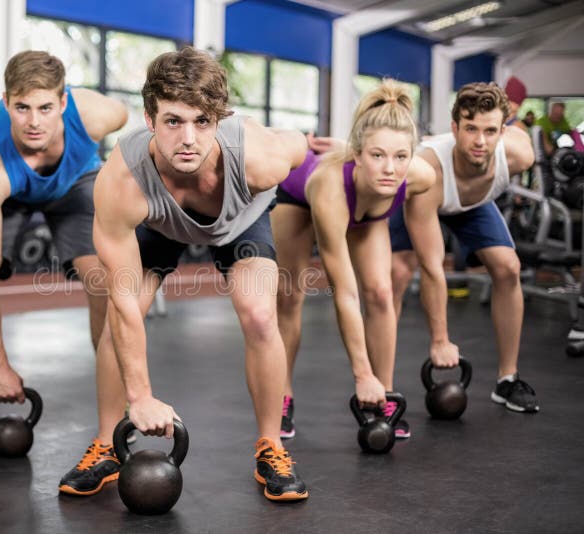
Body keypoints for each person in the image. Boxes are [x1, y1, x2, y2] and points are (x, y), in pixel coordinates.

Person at [58, 46, 309, 501]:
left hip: (240, 221)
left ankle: (271, 445)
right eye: (173, 121)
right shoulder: (123, 179)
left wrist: (310, 144)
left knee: (259, 315)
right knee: (121, 313)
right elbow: (122, 300)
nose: (188, 138)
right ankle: (106, 444)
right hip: (162, 224)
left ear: (219, 119)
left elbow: (297, 145)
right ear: (150, 120)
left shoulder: (259, 158)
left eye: (202, 122)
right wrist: (141, 396)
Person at [0, 51, 127, 447]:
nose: (34, 121)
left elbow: (128, 119)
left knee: (104, 280)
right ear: (5, 102)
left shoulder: (94, 115)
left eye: (45, 108)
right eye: (22, 108)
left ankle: (118, 406)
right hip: (9, 192)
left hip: (75, 182)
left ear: (64, 102)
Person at [272, 80, 434, 440]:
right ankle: (281, 396)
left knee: (381, 293)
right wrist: (361, 374)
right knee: (289, 297)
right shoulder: (329, 187)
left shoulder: (420, 177)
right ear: (358, 155)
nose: (390, 168)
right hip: (298, 194)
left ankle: (384, 396)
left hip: (367, 207)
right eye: (377, 155)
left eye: (401, 156)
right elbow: (344, 293)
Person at [389, 81, 539, 413]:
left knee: (508, 268)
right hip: (426, 194)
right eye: (470, 129)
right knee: (397, 275)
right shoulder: (428, 170)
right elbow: (432, 267)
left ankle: (508, 380)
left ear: (503, 131)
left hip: (472, 203)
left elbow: (521, 142)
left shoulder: (519, 155)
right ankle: (381, 389)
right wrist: (440, 340)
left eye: (490, 130)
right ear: (455, 128)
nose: (480, 141)